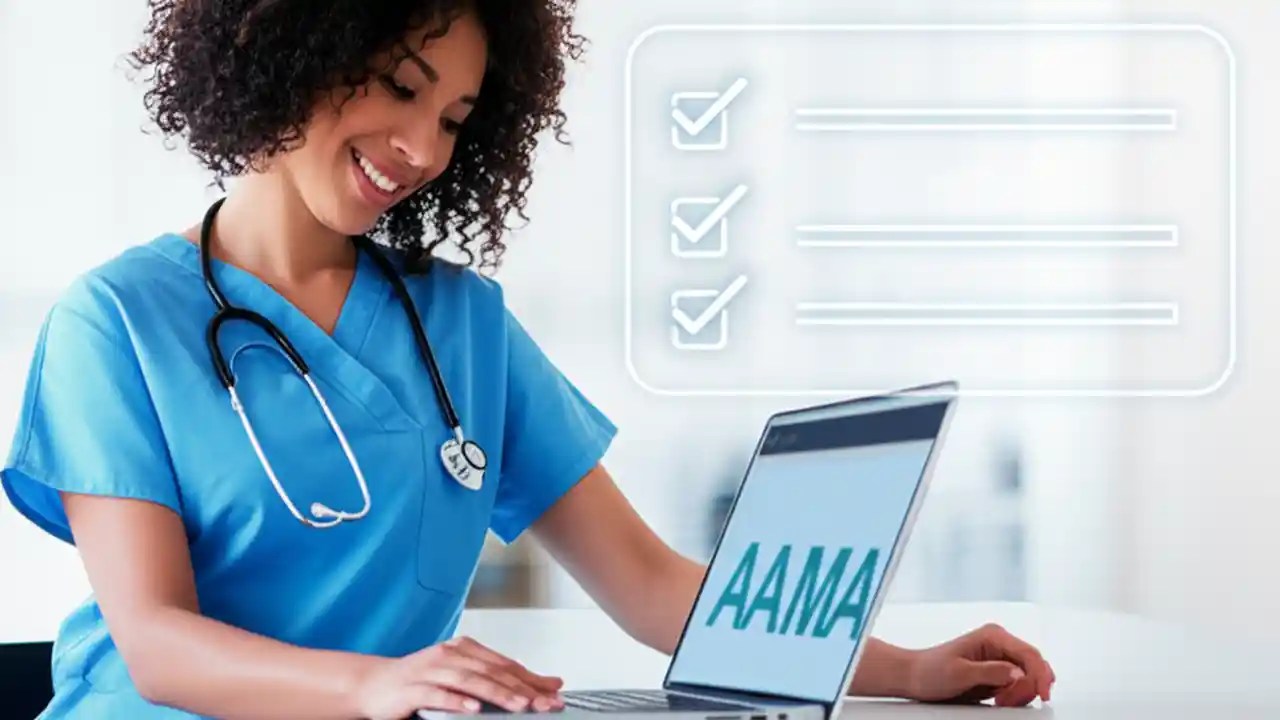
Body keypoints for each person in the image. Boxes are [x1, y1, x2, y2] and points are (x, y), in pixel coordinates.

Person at [0, 1, 1056, 718]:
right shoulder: (117, 323)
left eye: (454, 117)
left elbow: (647, 585)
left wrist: (899, 669)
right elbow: (156, 642)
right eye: (396, 86)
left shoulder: (462, 325)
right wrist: (375, 686)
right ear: (292, 51)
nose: (419, 148)